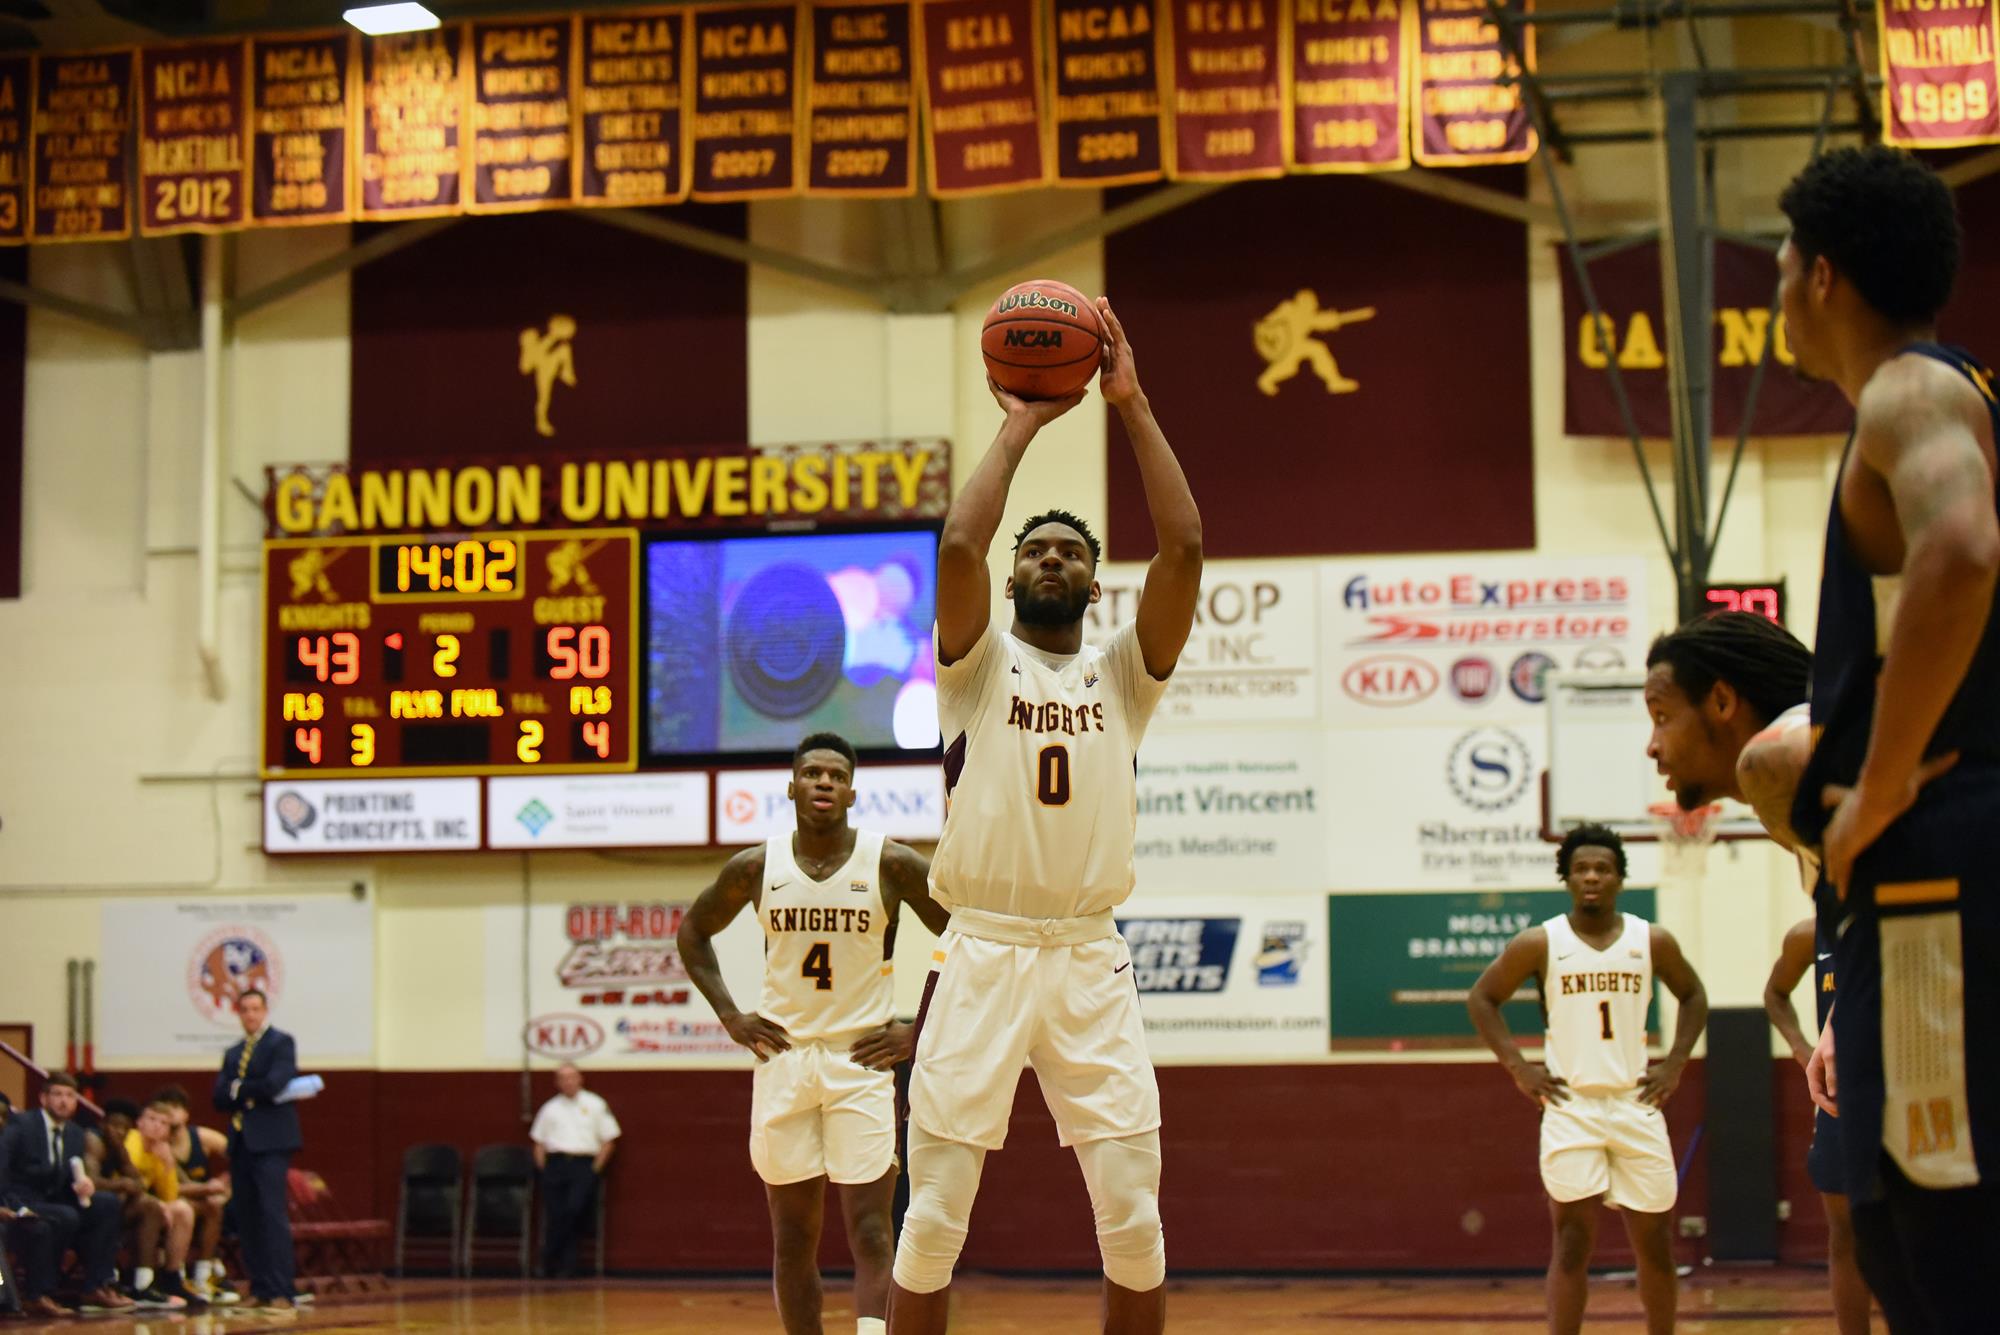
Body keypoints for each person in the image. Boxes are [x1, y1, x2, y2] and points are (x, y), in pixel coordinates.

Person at [887, 298, 1202, 1335]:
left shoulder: (1124, 677)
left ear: (1095, 584)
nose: (1051, 558)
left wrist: (1132, 402)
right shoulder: (975, 668)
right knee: (933, 1218)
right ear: (1014, 577)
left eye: (1070, 551)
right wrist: (1020, 423)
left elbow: (1184, 548)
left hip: (1087, 955)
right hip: (980, 949)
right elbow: (956, 545)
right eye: (1035, 551)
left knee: (1134, 1218)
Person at [1774, 144, 2000, 1332]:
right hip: (1929, 877)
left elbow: (1959, 552)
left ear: (1820, 274)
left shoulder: (1910, 392)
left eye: (1779, 260)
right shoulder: (1956, 393)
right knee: (1902, 1237)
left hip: (1935, 871)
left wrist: (1877, 782)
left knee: (1936, 1237)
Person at [679, 732, 952, 1335]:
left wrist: (920, 1028)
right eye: (812, 773)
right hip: (785, 1059)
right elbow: (692, 933)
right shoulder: (756, 867)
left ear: (851, 793)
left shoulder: (891, 862)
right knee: (792, 1238)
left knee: (873, 1231)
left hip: (861, 1061)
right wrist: (731, 1015)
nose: (824, 782)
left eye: (836, 775)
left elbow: (964, 940)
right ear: (791, 787)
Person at [1468, 825, 1709, 1335]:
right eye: (1581, 869)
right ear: (1567, 878)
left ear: (1619, 877)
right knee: (1572, 1243)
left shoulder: (1651, 940)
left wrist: (1675, 1063)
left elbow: (1693, 995)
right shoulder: (1540, 942)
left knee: (1656, 1244)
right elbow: (1482, 998)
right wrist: (1519, 1067)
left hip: (1634, 1102)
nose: (1592, 877)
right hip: (1571, 1105)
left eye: (1602, 868)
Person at [1765, 918, 1873, 1334]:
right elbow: (1775, 994)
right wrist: (1801, 1048)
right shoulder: (1807, 936)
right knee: (1845, 1233)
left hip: (1907, 1091)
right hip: (1840, 1103)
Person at [0, 1072, 133, 1313]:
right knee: (65, 1216)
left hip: (55, 1199)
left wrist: (83, 1184)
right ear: (43, 1098)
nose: (64, 1101)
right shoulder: (22, 1124)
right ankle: (40, 1293)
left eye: (70, 1096)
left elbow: (70, 1174)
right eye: (58, 1094)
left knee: (106, 1203)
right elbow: (3, 1167)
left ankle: (96, 1285)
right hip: (22, 1199)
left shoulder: (75, 1132)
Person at [212, 988, 301, 1312]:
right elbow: (219, 1096)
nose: (250, 1015)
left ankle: (282, 1290)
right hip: (241, 1141)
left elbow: (274, 1084)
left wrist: (239, 1088)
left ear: (264, 1010)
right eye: (245, 1009)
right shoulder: (234, 1052)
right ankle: (259, 1286)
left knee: (271, 1214)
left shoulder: (280, 1043)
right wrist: (246, 1092)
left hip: (271, 1140)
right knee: (246, 1215)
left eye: (255, 1008)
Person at [528, 1064, 618, 1279]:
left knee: (574, 1209)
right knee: (556, 1213)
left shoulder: (595, 1104)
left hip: (583, 1164)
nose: (568, 1082)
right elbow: (538, 1142)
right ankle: (566, 1265)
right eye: (563, 1078)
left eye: (571, 1077)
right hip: (556, 1164)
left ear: (580, 1079)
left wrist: (595, 1169)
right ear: (557, 1083)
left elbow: (609, 1140)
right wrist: (545, 1169)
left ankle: (548, 1256)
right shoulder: (550, 1108)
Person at [150, 1084, 239, 1304]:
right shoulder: (156, 1142)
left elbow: (241, 1158)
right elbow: (168, 1188)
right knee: (191, 1205)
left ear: (186, 1113)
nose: (171, 1112)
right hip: (168, 1200)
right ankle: (177, 1274)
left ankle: (204, 1273)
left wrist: (227, 1186)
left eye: (176, 1107)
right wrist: (207, 1188)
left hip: (200, 1201)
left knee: (216, 1205)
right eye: (166, 1107)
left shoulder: (202, 1137)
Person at [122, 1101, 199, 1307]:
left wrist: (167, 1164)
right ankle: (142, 1285)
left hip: (145, 1206)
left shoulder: (161, 1149)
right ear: (139, 1123)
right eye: (152, 1119)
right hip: (119, 1204)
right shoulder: (132, 1141)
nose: (157, 1126)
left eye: (163, 1123)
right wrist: (158, 1203)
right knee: (155, 1207)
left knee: (183, 1209)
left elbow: (170, 1196)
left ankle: (172, 1277)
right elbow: (131, 1183)